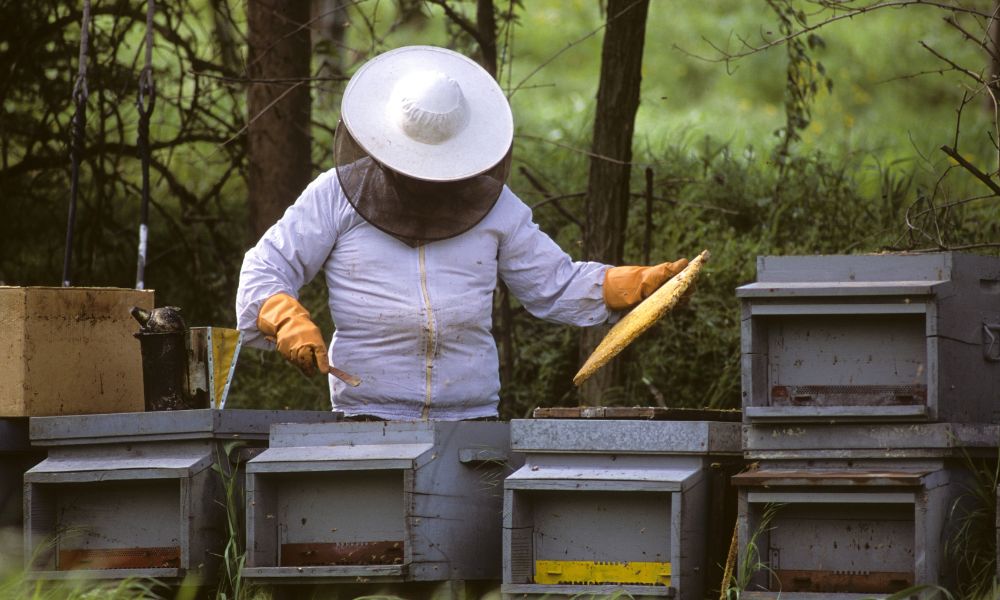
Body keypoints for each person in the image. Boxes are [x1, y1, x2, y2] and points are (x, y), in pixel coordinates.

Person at [236, 45, 687, 421]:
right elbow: (265, 267)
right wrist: (284, 317)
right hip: (367, 415)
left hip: (471, 418)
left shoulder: (495, 205)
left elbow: (555, 283)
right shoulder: (334, 195)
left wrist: (624, 286)